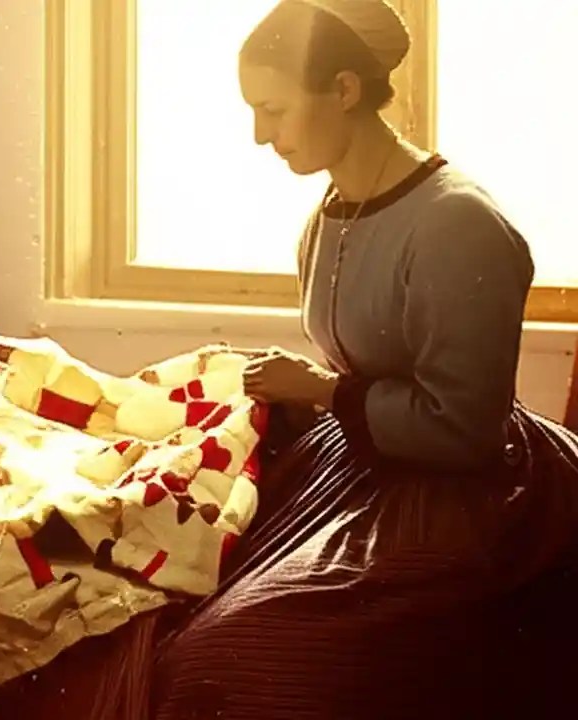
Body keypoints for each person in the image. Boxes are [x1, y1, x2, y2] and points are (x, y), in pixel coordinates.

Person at [149, 1, 578, 717]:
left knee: (225, 658)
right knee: (182, 585)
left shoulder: (459, 224)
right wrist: (292, 390)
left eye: (273, 110)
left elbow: (465, 429)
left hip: (474, 493)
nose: (260, 135)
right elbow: (362, 363)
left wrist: (325, 392)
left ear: (344, 90)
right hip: (371, 463)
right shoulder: (330, 211)